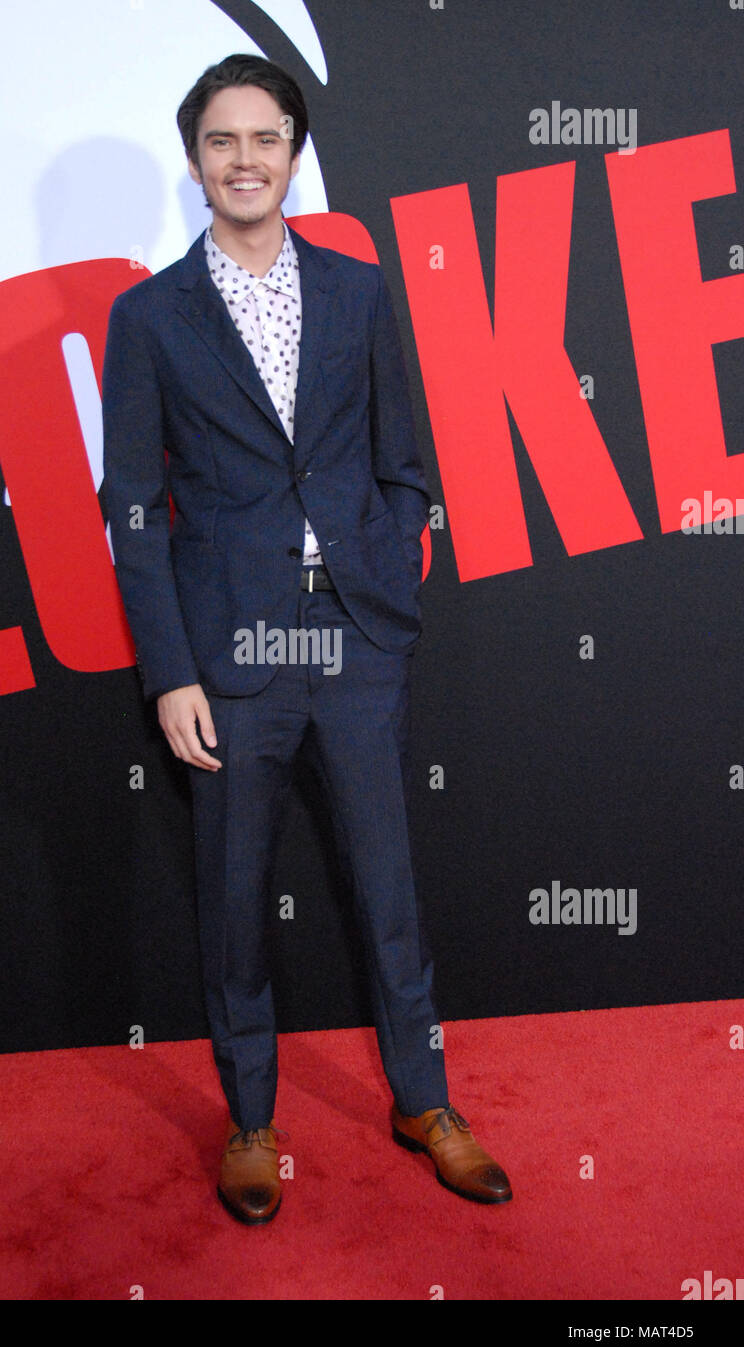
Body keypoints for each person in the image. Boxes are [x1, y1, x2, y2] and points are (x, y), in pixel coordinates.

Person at [102, 52, 511, 1224]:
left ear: (294, 150)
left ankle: (424, 1100)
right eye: (223, 141)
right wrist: (170, 668)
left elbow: (406, 457)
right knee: (234, 896)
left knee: (388, 883)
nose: (246, 159)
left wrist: (394, 569)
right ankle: (249, 1121)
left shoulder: (358, 292)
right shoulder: (148, 318)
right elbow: (133, 508)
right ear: (197, 161)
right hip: (231, 656)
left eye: (266, 137)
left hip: (356, 641)